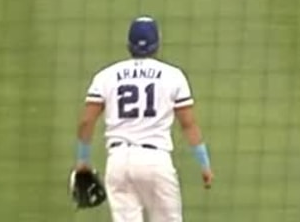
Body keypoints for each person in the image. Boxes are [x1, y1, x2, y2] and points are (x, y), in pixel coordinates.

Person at [73, 16, 214, 221]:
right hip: (155, 162)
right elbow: (188, 124)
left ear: (129, 44)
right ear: (157, 44)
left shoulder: (106, 76)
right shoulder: (173, 76)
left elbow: (86, 122)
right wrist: (204, 164)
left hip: (118, 162)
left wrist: (83, 160)